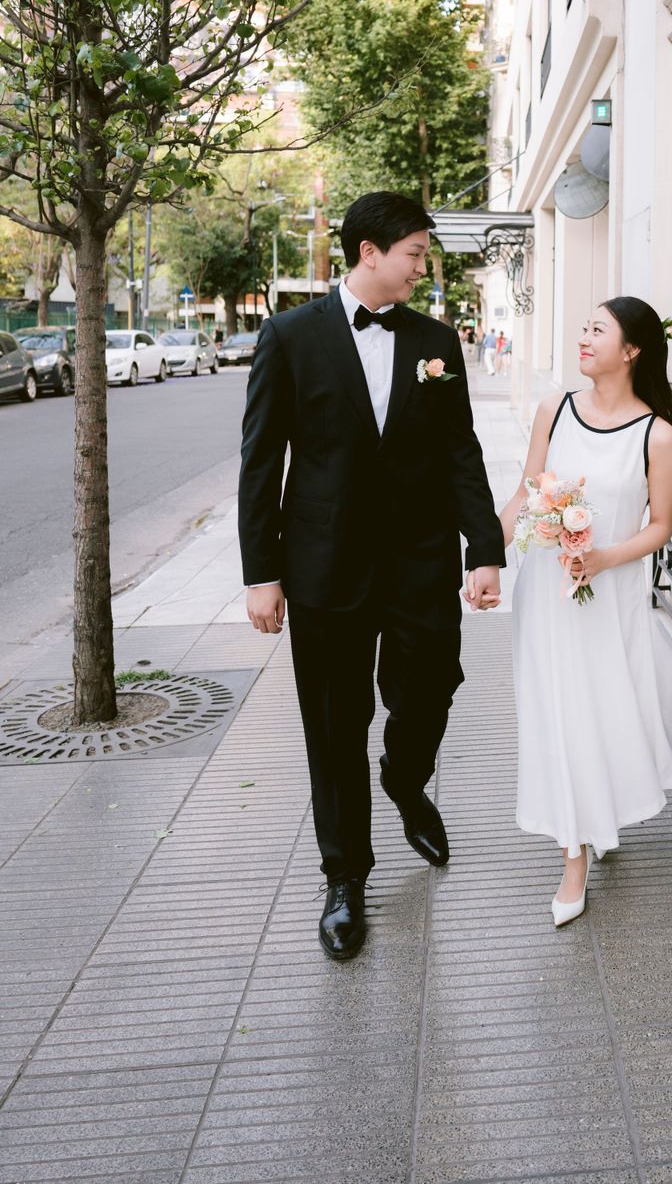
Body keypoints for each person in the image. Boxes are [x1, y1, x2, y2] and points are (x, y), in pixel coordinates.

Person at [239, 191, 504, 962]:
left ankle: (405, 775)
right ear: (370, 253)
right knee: (332, 725)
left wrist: (483, 548)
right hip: (322, 568)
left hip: (420, 563)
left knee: (431, 687)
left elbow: (461, 451)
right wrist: (263, 574)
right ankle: (345, 880)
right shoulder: (289, 337)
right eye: (417, 253)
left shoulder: (435, 341)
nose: (425, 267)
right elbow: (262, 465)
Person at [499, 297, 672, 926]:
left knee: (602, 709)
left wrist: (603, 558)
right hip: (546, 595)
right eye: (583, 327)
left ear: (631, 350)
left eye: (596, 331)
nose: (583, 338)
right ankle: (571, 851)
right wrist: (482, 558)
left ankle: (597, 819)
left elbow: (660, 526)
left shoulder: (657, 435)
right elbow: (528, 492)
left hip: (609, 595)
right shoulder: (555, 410)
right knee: (556, 713)